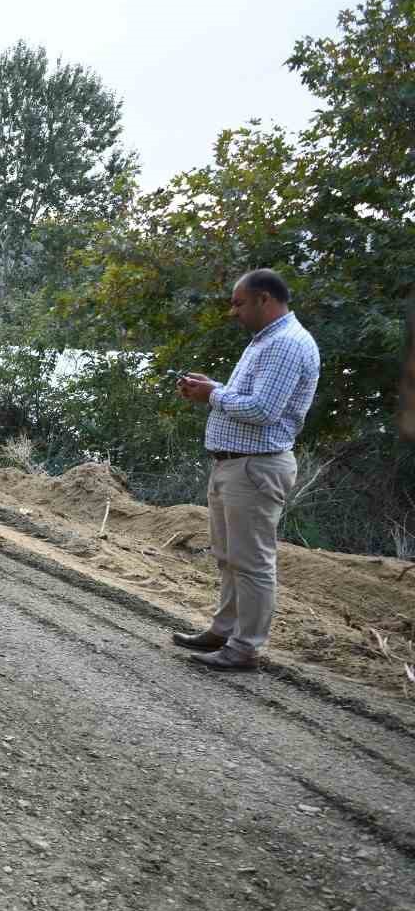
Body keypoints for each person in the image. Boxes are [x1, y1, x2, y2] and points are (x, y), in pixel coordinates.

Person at [172, 268, 319, 670]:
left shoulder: (286, 344)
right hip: (235, 465)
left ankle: (245, 648)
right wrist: (214, 386)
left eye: (238, 303)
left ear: (264, 300)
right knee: (229, 556)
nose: (233, 311)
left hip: (255, 468)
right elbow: (250, 398)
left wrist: (212, 395)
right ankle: (225, 630)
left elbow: (262, 410)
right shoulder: (266, 341)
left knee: (252, 561)